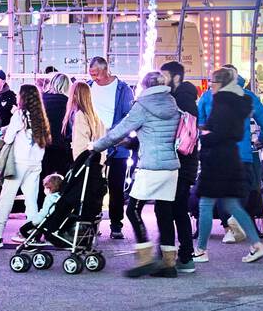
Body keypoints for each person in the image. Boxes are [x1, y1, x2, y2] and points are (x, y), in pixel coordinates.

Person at [91, 70, 183, 277]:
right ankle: (169, 264)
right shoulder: (172, 103)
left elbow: (119, 131)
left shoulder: (142, 106)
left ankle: (145, 258)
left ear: (145, 86)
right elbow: (157, 132)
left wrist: (96, 146)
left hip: (151, 166)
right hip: (171, 167)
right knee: (165, 212)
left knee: (133, 210)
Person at [193, 68, 263, 264]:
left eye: (212, 82)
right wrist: (261, 140)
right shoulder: (244, 100)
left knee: (206, 204)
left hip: (217, 160)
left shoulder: (219, 102)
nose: (210, 87)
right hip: (236, 158)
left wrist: (206, 137)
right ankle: (256, 245)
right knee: (232, 204)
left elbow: (213, 130)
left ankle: (201, 249)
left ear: (220, 83)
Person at [0, 84, 49, 248]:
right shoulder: (41, 117)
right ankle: (33, 235)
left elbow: (8, 139)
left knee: (6, 199)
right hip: (35, 164)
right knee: (31, 201)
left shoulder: (19, 115)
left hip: (18, 163)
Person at [87, 56, 136, 240]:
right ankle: (92, 222)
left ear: (106, 70)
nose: (94, 78)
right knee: (92, 186)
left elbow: (128, 116)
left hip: (117, 146)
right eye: (91, 74)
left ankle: (116, 225)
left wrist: (114, 134)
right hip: (94, 143)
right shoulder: (89, 86)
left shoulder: (123, 89)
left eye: (97, 74)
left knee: (116, 187)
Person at [160, 60, 200, 273]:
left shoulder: (181, 100)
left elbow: (183, 136)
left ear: (176, 78)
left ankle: (181, 255)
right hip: (182, 164)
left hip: (180, 164)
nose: (162, 80)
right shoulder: (183, 97)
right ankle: (184, 256)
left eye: (165, 76)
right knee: (176, 210)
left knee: (172, 210)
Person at [41, 71, 72, 179]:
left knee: (42, 178)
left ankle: (41, 196)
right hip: (61, 145)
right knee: (60, 179)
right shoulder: (68, 103)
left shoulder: (41, 100)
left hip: (42, 145)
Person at [67, 80, 105, 158]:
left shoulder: (80, 116)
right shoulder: (95, 117)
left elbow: (80, 146)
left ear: (74, 95)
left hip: (82, 164)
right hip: (95, 163)